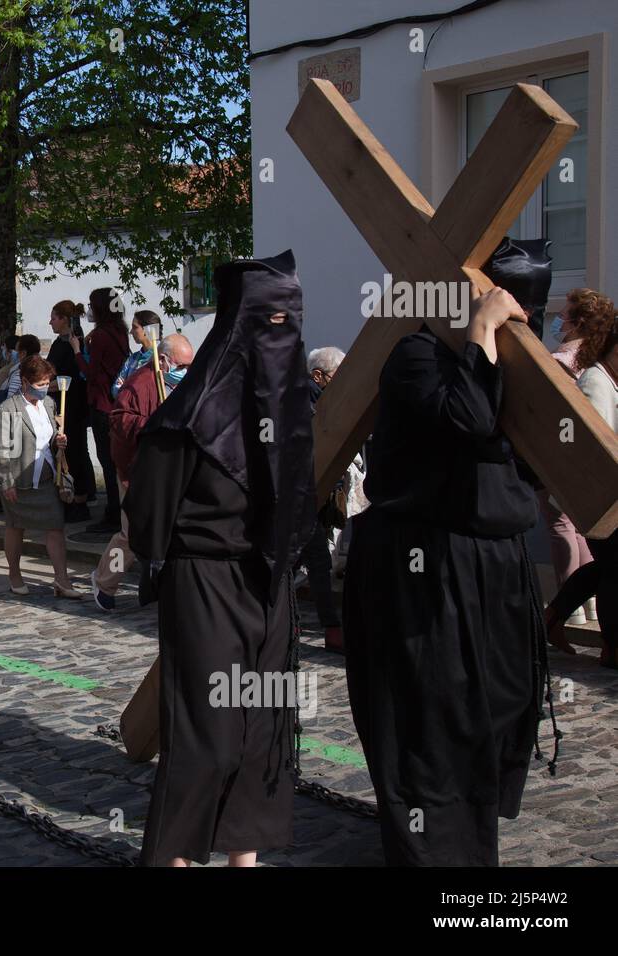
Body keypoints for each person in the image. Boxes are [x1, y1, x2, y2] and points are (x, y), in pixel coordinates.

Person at [343, 237, 556, 867]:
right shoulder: (417, 354)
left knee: (500, 708)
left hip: (493, 568)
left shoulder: (512, 368)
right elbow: (466, 420)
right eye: (508, 308)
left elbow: (531, 466)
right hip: (423, 568)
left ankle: (467, 846)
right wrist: (480, 336)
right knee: (432, 719)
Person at [125, 251, 317, 867]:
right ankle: (176, 859)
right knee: (207, 737)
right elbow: (148, 522)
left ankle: (243, 861)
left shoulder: (293, 409)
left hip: (270, 585)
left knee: (261, 734)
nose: (282, 339)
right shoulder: (185, 419)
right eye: (272, 322)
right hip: (205, 582)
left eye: (293, 323)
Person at [92, 333, 192, 611]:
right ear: (163, 361)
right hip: (137, 469)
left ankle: (162, 589)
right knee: (131, 534)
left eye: (189, 366)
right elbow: (120, 420)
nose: (186, 372)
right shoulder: (140, 382)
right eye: (181, 366)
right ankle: (104, 581)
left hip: (171, 470)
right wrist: (154, 425)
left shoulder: (185, 383)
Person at [545, 303, 618, 666]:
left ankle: (553, 616)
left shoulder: (608, 380)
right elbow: (594, 447)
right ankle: (612, 646)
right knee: (614, 568)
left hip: (606, 498)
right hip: (599, 498)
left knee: (607, 567)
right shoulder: (596, 381)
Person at [0, 355, 78, 598]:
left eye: (46, 383)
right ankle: (14, 574)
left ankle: (62, 579)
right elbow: (0, 449)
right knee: (15, 527)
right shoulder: (7, 409)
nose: (44, 388)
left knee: (55, 527)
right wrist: (6, 481)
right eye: (40, 383)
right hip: (17, 479)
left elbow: (50, 437)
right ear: (26, 383)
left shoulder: (50, 404)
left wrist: (59, 441)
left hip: (46, 476)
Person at [299, 346, 347, 651]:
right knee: (313, 558)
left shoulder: (319, 397)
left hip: (307, 489)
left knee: (307, 558)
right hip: (298, 490)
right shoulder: (307, 397)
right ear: (318, 375)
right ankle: (330, 627)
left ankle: (328, 626)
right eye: (335, 377)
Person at [84, 288, 131, 532]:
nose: (89, 310)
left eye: (92, 305)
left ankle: (114, 512)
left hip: (102, 402)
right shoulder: (120, 331)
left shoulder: (100, 336)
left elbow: (91, 374)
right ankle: (117, 509)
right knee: (114, 460)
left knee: (107, 459)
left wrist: (76, 350)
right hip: (114, 403)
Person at [47, 301, 95, 521]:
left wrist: (51, 385)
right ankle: (71, 495)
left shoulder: (76, 342)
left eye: (54, 318)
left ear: (64, 319)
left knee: (76, 451)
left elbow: (73, 377)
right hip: (61, 402)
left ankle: (81, 499)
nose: (50, 322)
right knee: (68, 450)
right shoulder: (59, 343)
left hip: (73, 404)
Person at [111, 310, 162, 399]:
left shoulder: (162, 358)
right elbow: (115, 390)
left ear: (148, 330)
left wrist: (126, 388)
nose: (131, 332)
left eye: (135, 327)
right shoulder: (133, 359)